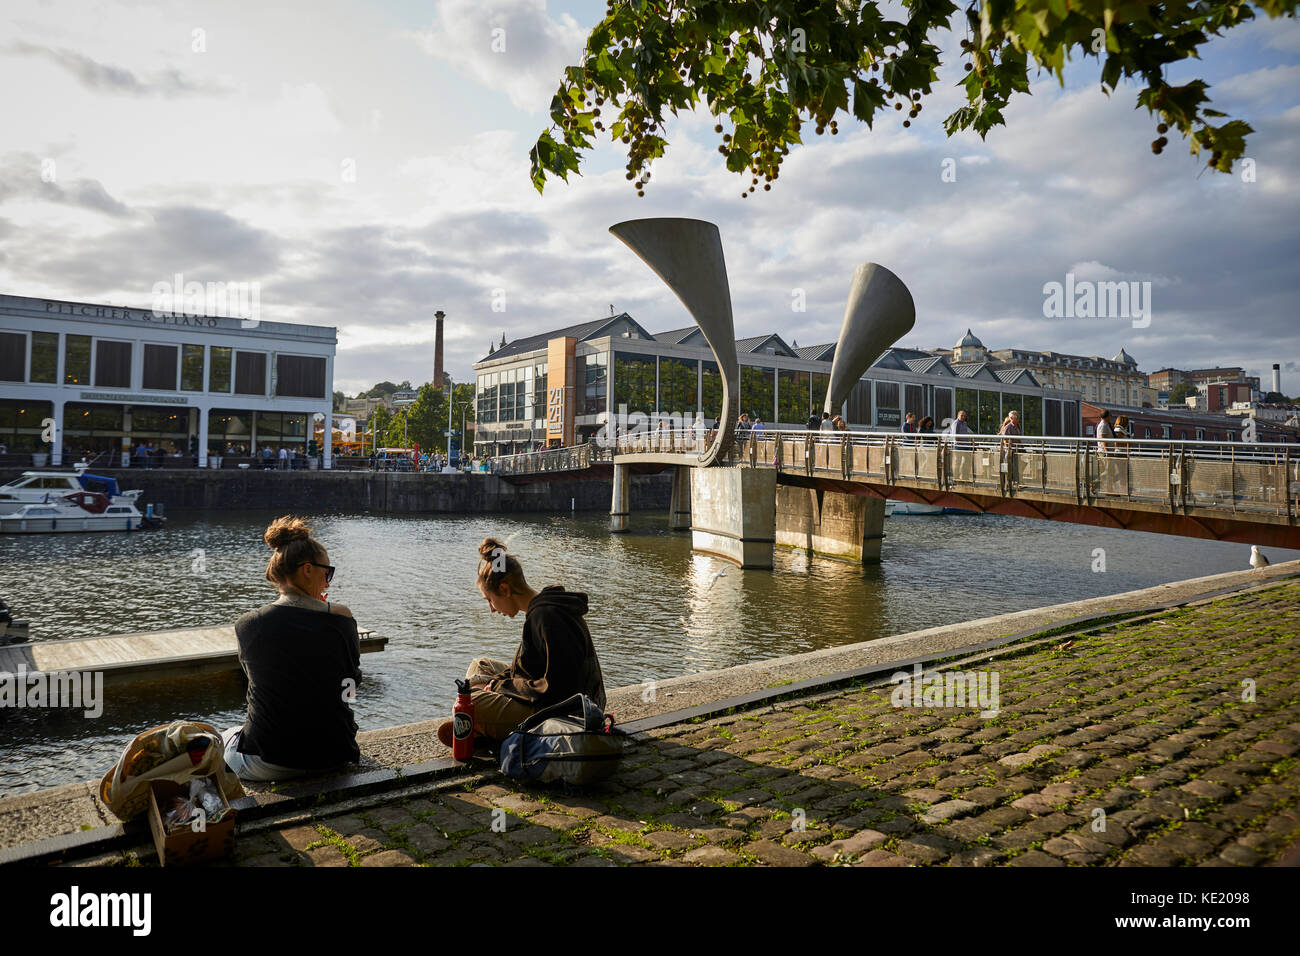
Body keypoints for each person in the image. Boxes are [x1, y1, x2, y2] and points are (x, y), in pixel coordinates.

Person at [224, 516, 361, 781]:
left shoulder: (248, 624)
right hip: (336, 753)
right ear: (308, 570)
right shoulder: (342, 618)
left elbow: (260, 683)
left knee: (221, 737)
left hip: (270, 760)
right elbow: (351, 683)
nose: (328, 583)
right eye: (327, 573)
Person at [439, 538, 606, 746]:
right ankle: (480, 727)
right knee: (480, 665)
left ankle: (480, 727)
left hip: (568, 711)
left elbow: (556, 689)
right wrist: (498, 683)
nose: (491, 609)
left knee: (470, 702)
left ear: (505, 589)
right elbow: (530, 669)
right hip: (549, 694)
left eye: (489, 599)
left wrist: (501, 686)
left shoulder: (547, 617)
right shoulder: (541, 610)